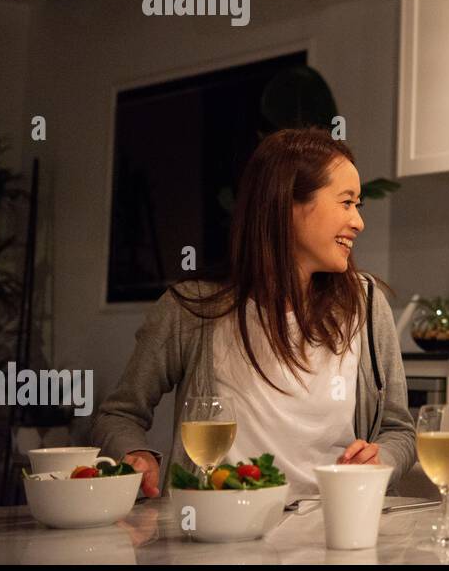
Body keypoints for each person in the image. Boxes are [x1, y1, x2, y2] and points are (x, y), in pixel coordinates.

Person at [93, 127, 416, 499]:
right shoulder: (191, 308)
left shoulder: (366, 304)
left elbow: (399, 431)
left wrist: (382, 458)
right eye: (346, 203)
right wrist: (135, 455)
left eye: (358, 205)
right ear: (286, 205)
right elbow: (119, 415)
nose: (358, 222)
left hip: (333, 524)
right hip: (220, 527)